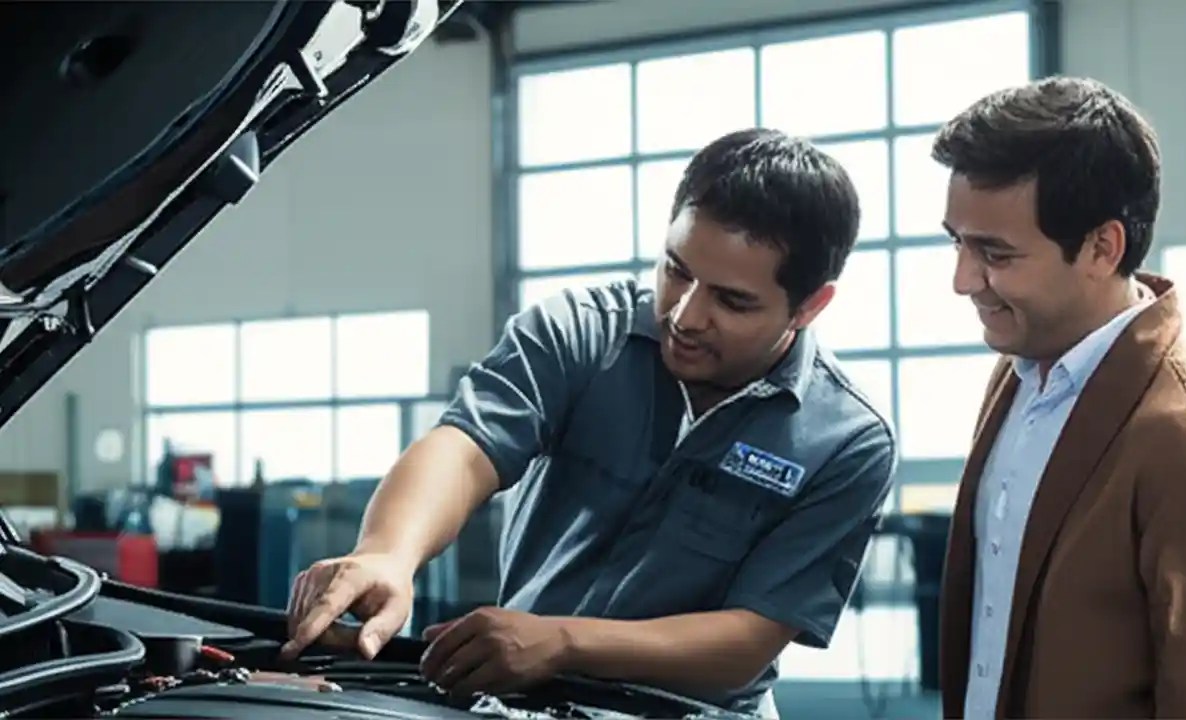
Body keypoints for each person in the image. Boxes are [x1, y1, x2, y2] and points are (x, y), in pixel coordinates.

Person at [282, 128, 897, 716]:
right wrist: (389, 553)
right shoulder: (581, 333)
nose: (684, 314)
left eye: (731, 300)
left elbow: (750, 638)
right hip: (521, 697)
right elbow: (465, 448)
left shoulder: (847, 441)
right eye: (676, 269)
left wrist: (563, 643)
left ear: (811, 305)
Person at [932, 75, 1186, 719]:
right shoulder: (1016, 376)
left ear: (1102, 247)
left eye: (995, 253)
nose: (962, 280)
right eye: (956, 241)